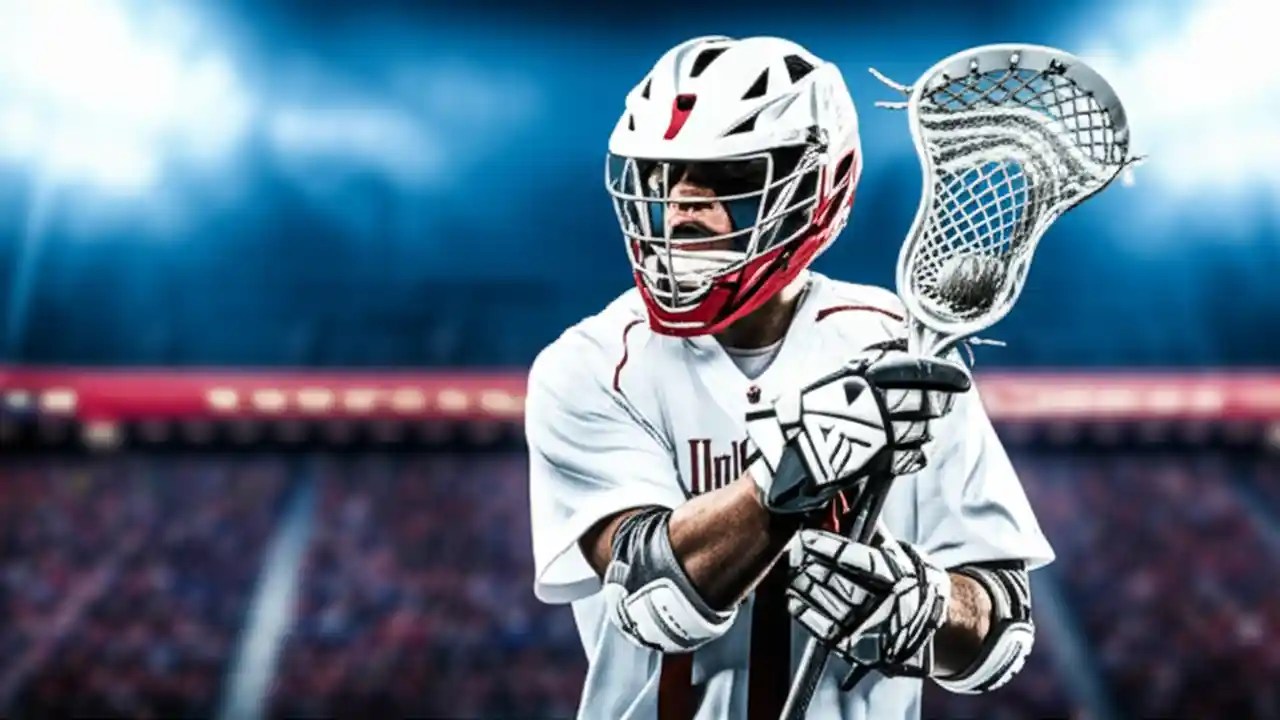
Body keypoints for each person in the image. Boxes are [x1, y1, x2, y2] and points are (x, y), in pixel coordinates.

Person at [525, 35, 1054, 720]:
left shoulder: (898, 349)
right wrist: (793, 473)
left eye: (731, 178)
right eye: (665, 176)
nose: (684, 207)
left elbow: (999, 631)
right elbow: (653, 597)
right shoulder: (592, 365)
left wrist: (919, 607)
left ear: (816, 190)